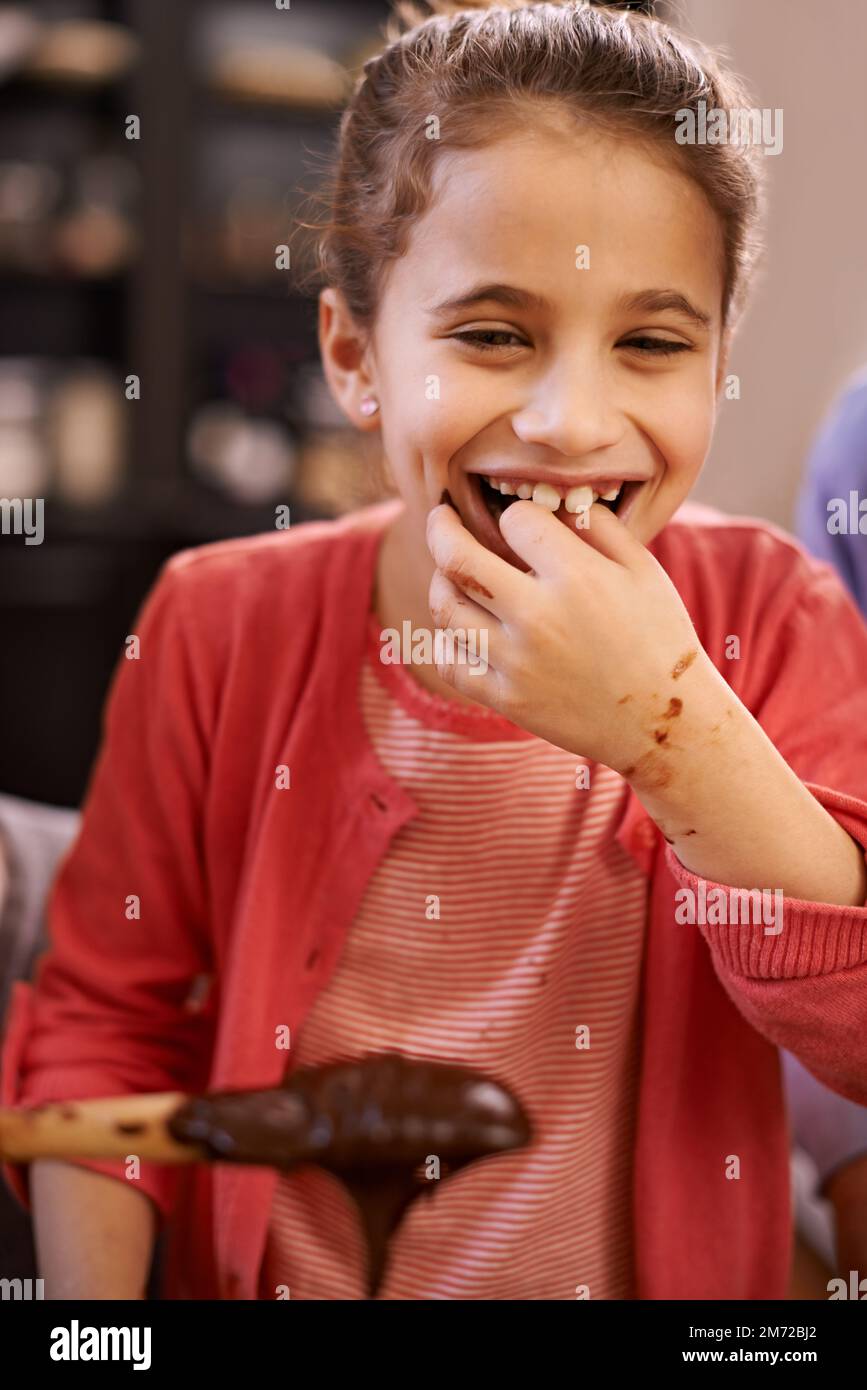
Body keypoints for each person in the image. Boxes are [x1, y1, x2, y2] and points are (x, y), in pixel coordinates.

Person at [4, 0, 867, 1301]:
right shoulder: (215, 622)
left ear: (718, 364)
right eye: (492, 333)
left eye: (651, 342)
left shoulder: (776, 616)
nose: (574, 421)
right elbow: (104, 1029)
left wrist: (672, 731)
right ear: (355, 354)